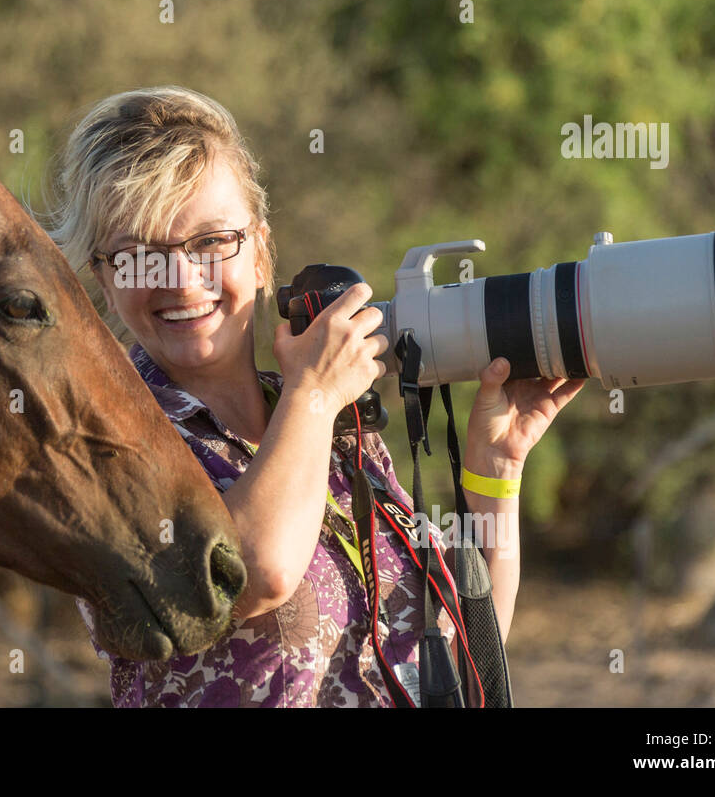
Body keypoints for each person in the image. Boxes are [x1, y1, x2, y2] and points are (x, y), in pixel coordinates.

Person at [35, 87, 585, 707]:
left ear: (263, 253)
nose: (182, 279)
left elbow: (464, 661)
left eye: (211, 242)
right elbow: (256, 572)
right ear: (101, 278)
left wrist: (494, 472)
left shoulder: (333, 420)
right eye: (138, 255)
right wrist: (315, 395)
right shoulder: (100, 440)